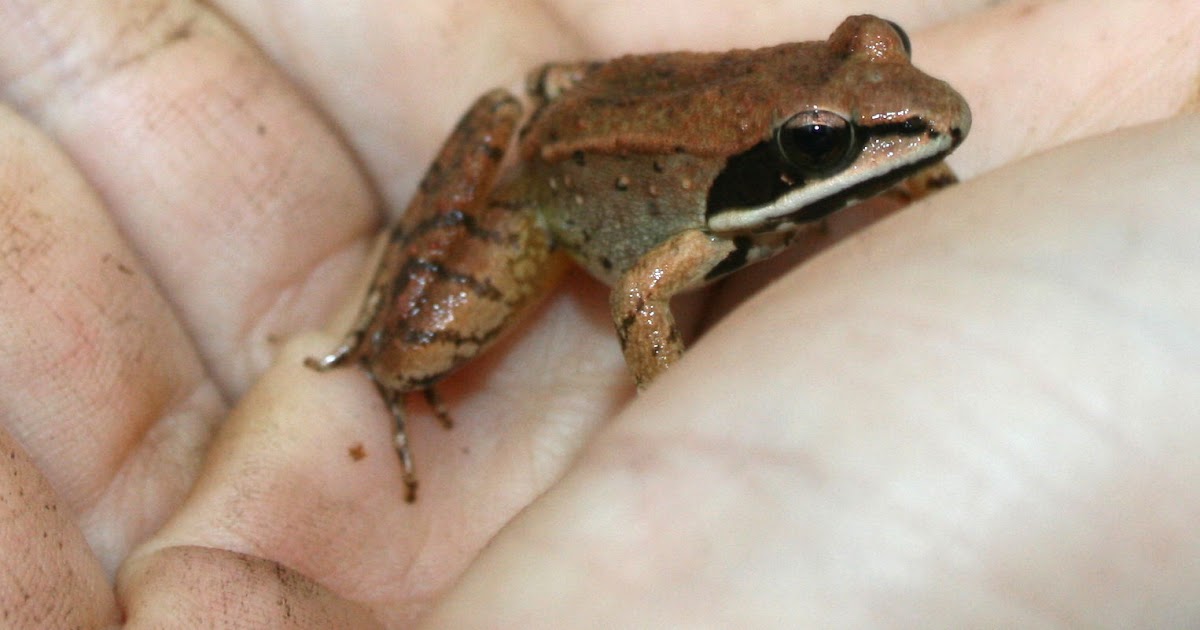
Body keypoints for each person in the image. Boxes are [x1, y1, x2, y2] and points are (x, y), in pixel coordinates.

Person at [0, 2, 1197, 627]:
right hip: (559, 196)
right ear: (791, 157)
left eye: (876, 54)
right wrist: (683, 402)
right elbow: (638, 291)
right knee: (423, 344)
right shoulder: (682, 245)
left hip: (598, 97)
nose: (903, 109)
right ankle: (381, 348)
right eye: (828, 145)